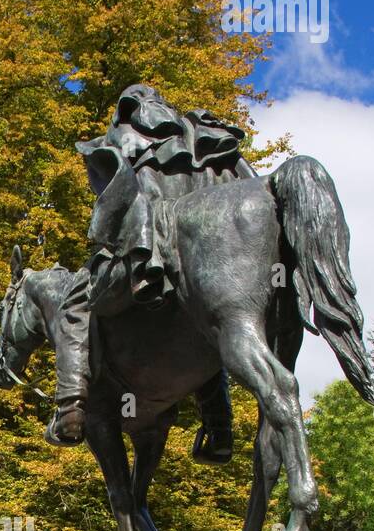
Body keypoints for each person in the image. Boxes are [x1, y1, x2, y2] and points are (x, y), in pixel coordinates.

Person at [46, 84, 252, 461]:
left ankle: (70, 406)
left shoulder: (124, 134)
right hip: (211, 247)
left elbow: (121, 198)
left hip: (151, 245)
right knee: (216, 325)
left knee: (74, 300)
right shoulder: (202, 134)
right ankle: (219, 423)